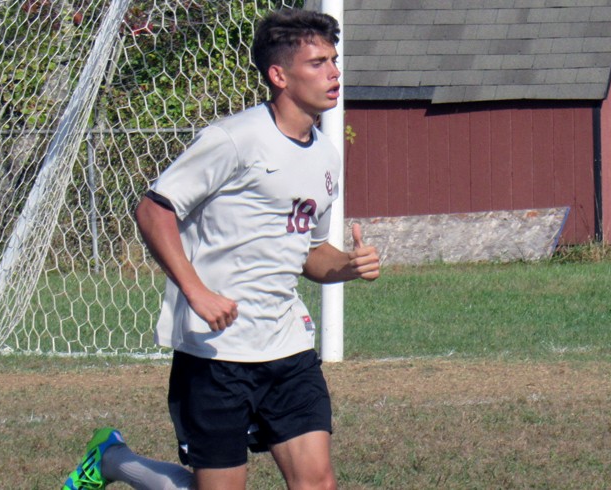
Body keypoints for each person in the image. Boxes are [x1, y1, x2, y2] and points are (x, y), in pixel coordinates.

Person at [62, 8, 380, 490]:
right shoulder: (234, 139)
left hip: (287, 345)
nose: (334, 73)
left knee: (318, 483)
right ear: (279, 75)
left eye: (334, 60)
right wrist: (197, 292)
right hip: (217, 351)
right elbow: (153, 210)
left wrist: (347, 265)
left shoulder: (324, 153)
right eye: (317, 63)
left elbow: (311, 253)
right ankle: (114, 459)